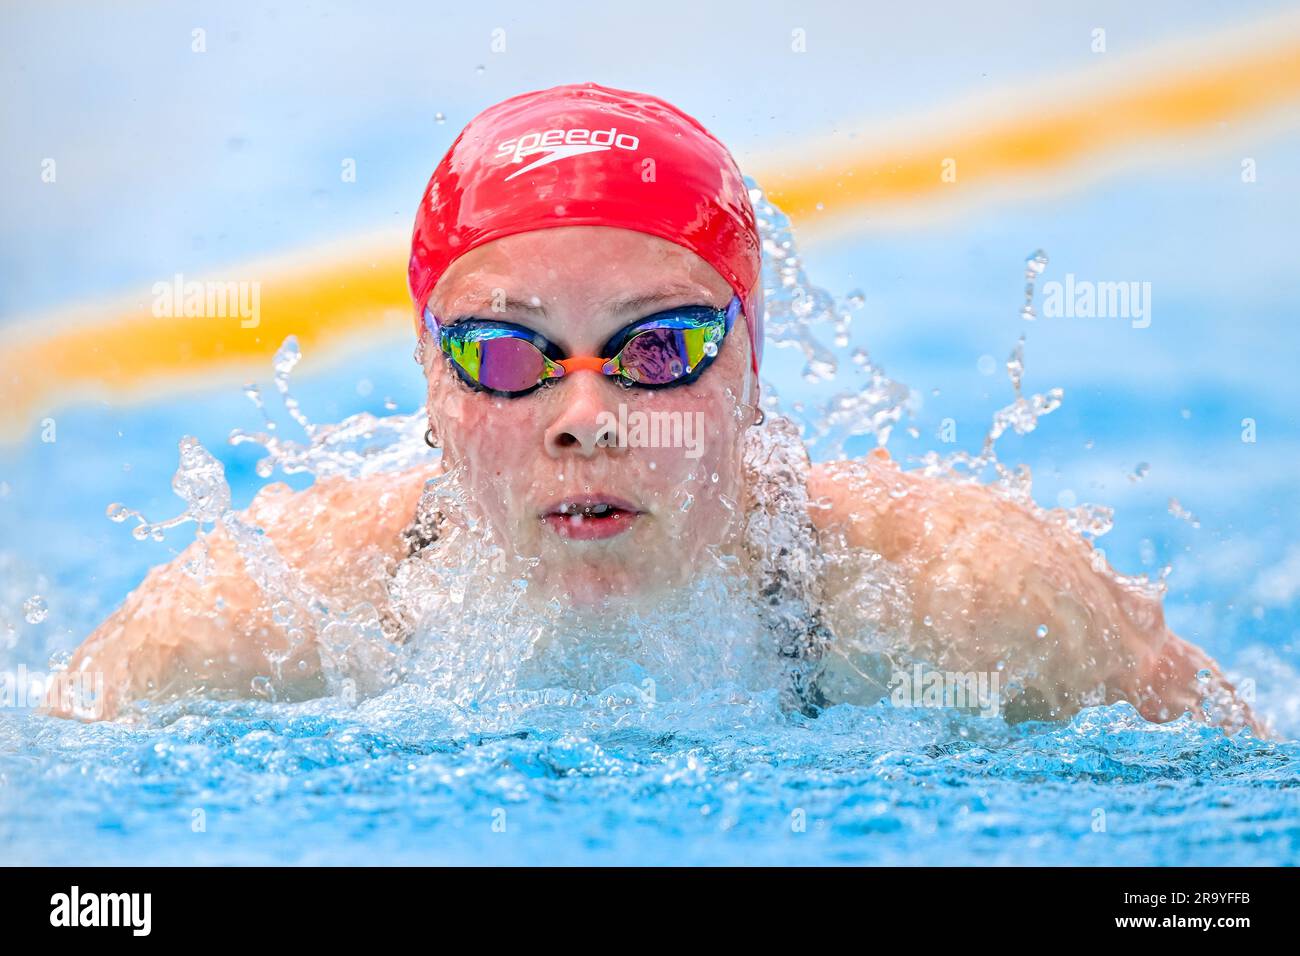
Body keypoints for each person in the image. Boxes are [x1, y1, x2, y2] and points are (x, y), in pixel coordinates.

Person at [46, 83, 1263, 735]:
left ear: (749, 369)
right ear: (429, 380)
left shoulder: (966, 602)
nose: (586, 415)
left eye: (660, 344)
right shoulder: (253, 620)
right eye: (510, 356)